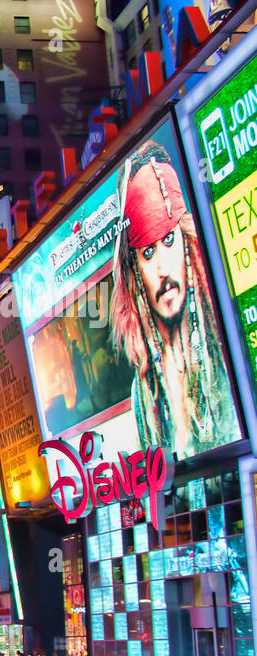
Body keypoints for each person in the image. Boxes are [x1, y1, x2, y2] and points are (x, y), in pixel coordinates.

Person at [109, 140, 242, 459]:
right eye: (148, 252)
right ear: (136, 271)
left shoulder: (229, 343)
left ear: (186, 241)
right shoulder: (143, 392)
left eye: (168, 239)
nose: (161, 267)